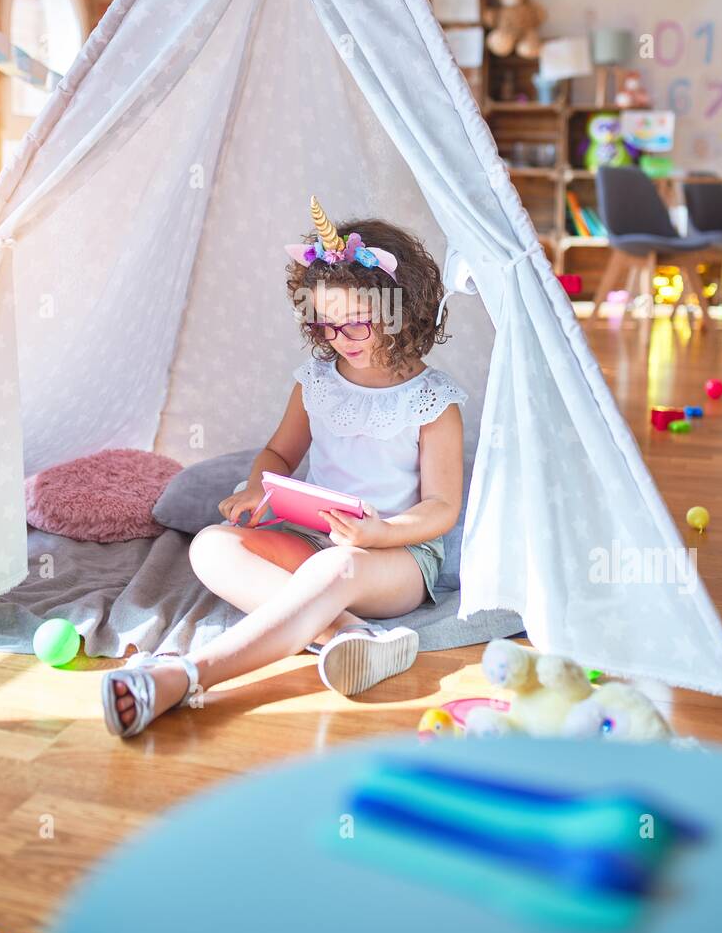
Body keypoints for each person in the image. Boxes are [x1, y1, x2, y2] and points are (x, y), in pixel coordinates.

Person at [103, 196, 466, 737]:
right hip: (307, 535)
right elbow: (278, 455)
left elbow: (441, 506)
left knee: (332, 569)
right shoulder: (315, 381)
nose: (339, 340)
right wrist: (256, 491)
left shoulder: (433, 401)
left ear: (402, 311)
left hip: (392, 557)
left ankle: (186, 675)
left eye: (357, 325)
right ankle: (352, 637)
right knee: (211, 544)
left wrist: (380, 531)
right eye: (326, 326)